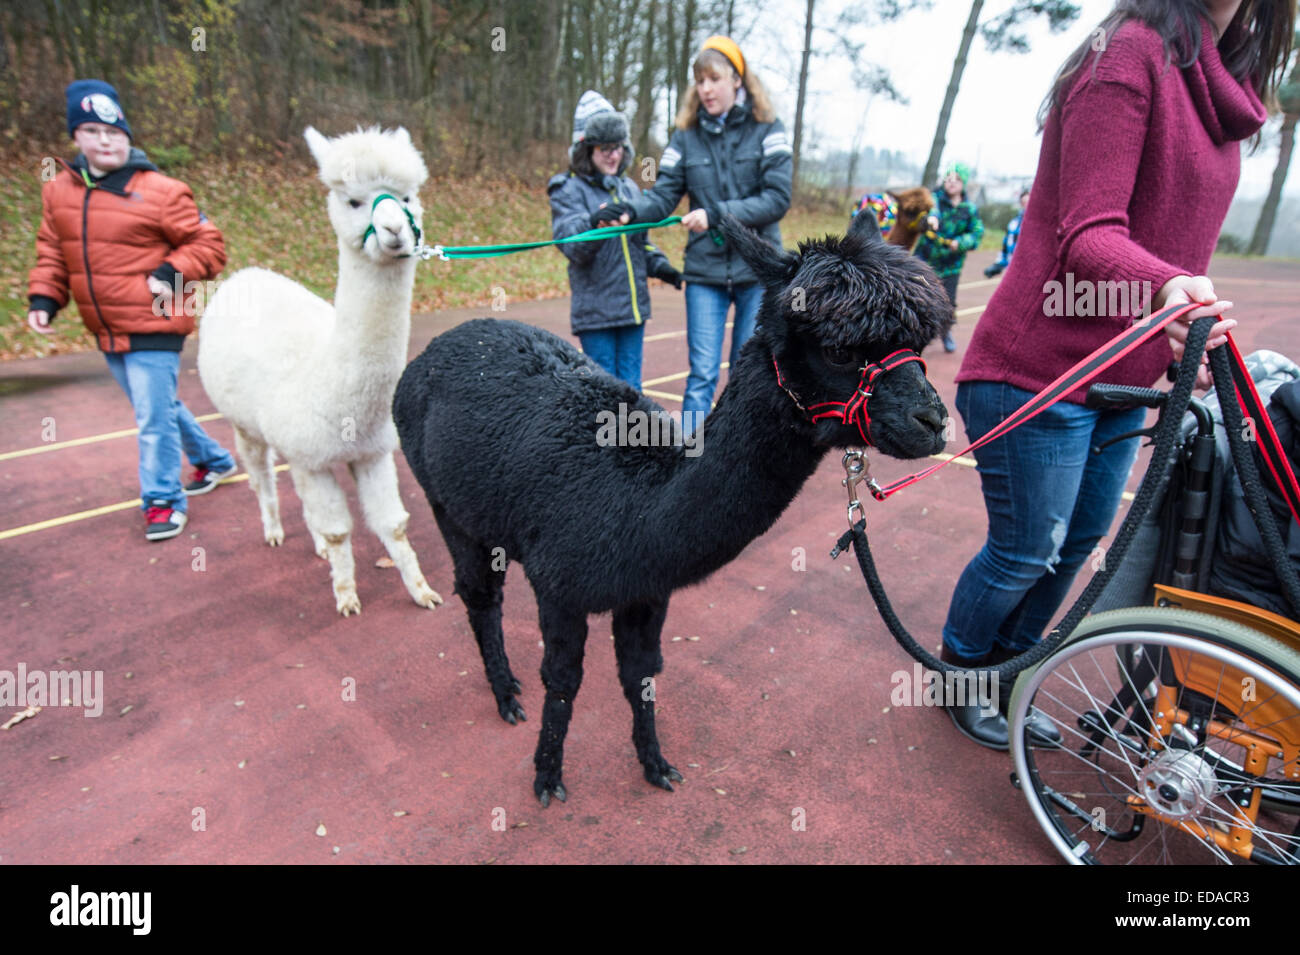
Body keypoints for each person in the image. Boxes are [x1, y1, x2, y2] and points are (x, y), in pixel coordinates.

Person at [938, 0, 1286, 750]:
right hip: (1037, 369)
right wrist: (1166, 291)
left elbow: (1173, 243)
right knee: (1028, 547)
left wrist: (1175, 333)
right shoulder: (1127, 54)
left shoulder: (1224, 87)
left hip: (1123, 378)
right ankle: (960, 671)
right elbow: (1089, 237)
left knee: (1080, 543)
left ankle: (1010, 671)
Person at [27, 80, 235, 541]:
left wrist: (169, 272)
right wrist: (45, 298)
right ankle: (214, 459)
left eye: (114, 132)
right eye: (93, 131)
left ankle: (162, 501)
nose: (105, 141)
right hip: (105, 325)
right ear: (76, 138)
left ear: (127, 135)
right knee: (158, 407)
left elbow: (210, 245)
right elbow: (53, 251)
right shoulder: (58, 192)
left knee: (151, 416)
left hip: (157, 320)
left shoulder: (162, 191)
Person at [594, 35, 792, 435]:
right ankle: (688, 458)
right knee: (701, 372)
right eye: (699, 81)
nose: (705, 89)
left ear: (737, 80)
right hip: (705, 272)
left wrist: (718, 214)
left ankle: (742, 454)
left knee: (746, 369)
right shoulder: (685, 136)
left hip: (758, 269)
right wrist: (631, 211)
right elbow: (665, 194)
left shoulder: (768, 128)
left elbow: (777, 198)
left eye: (714, 79)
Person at [548, 91, 681, 391]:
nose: (613, 155)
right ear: (586, 150)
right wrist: (594, 222)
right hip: (596, 315)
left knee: (632, 389)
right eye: (604, 148)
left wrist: (661, 267)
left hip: (632, 310)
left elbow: (640, 244)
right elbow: (570, 244)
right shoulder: (568, 189)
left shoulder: (629, 188)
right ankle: (602, 441)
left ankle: (630, 440)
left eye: (618, 147)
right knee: (603, 391)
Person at [913, 163, 983, 353]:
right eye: (948, 178)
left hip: (951, 265)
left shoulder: (968, 209)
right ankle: (915, 337)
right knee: (918, 298)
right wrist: (931, 219)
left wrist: (960, 242)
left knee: (948, 302)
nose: (951, 182)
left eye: (956, 179)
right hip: (924, 260)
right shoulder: (934, 199)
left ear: (963, 183)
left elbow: (976, 234)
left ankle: (946, 331)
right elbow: (930, 210)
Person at [984, 187, 1030, 278]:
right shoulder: (1014, 223)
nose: (1026, 205)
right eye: (1023, 202)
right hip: (1012, 269)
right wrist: (999, 264)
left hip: (1030, 270)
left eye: (1028, 202)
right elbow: (1006, 246)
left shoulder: (1038, 225)